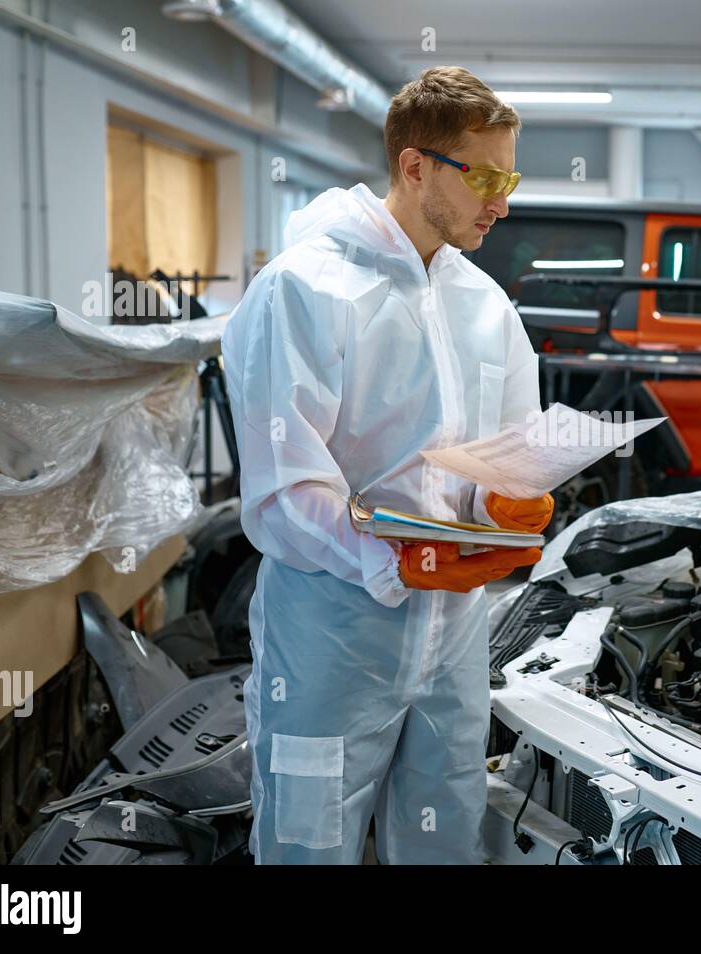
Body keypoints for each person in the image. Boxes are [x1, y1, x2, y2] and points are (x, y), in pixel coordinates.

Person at [220, 65, 553, 864]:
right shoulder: (304, 291)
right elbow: (282, 493)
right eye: (486, 177)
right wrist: (395, 557)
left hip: (454, 643)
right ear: (415, 166)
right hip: (332, 642)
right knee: (309, 843)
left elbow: (516, 447)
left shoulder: (485, 304)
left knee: (444, 834)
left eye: (510, 177)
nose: (501, 203)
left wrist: (512, 503)